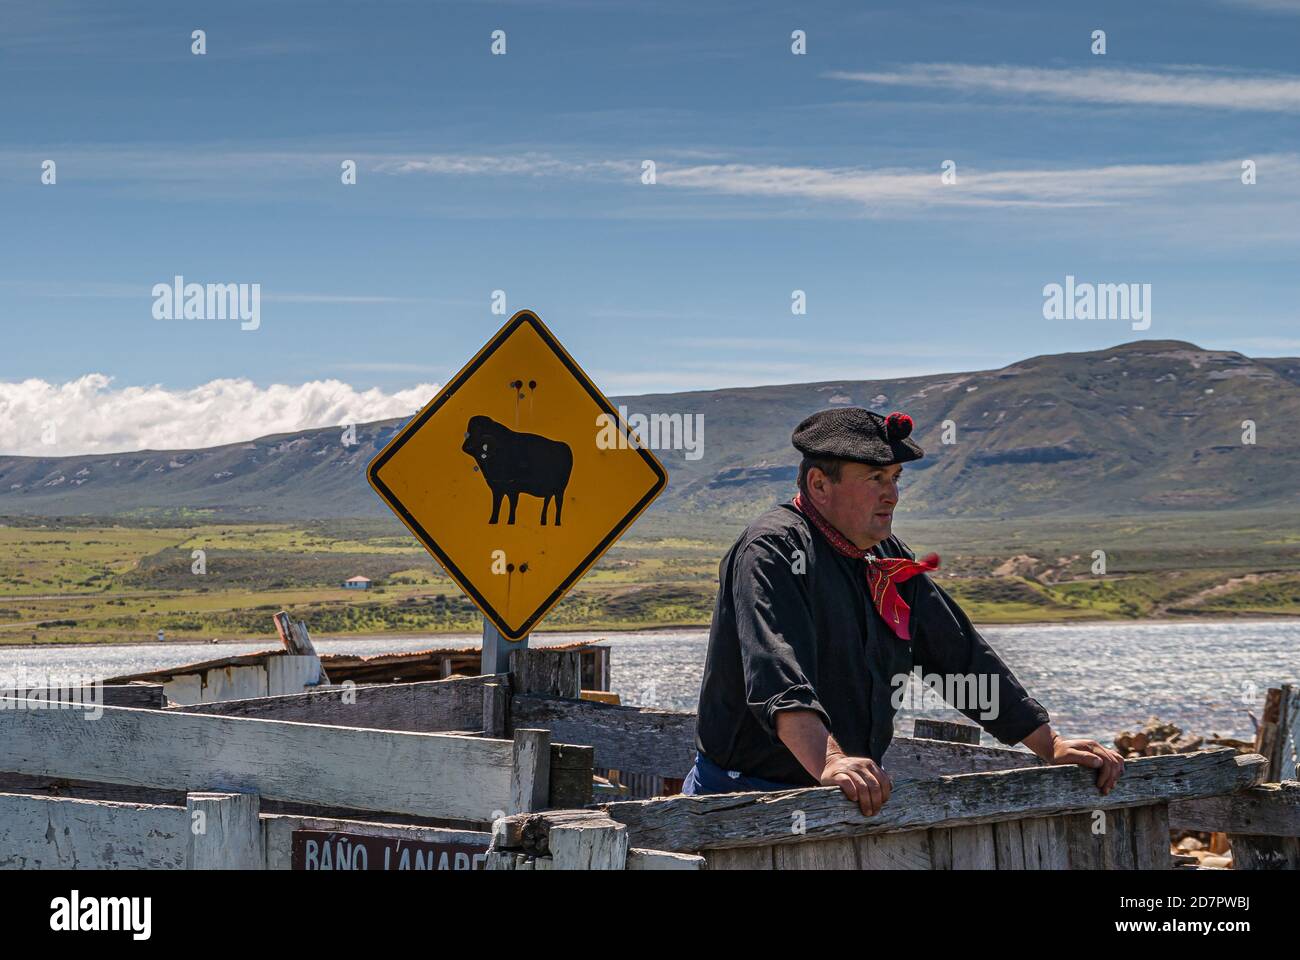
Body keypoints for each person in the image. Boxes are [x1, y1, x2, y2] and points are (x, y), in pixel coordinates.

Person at [683, 407, 1125, 814]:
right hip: (743, 799)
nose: (892, 495)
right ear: (819, 484)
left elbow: (957, 657)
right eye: (875, 478)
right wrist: (832, 761)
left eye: (896, 478)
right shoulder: (773, 549)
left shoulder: (884, 555)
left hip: (842, 796)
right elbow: (775, 667)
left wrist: (1050, 743)